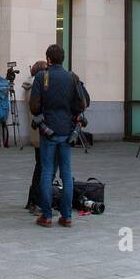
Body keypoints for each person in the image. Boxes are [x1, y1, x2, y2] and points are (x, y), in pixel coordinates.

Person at [29, 43, 85, 227]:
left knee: (47, 172)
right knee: (66, 173)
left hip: (48, 130)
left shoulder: (41, 76)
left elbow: (34, 106)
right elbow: (81, 105)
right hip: (67, 130)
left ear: (48, 59)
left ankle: (46, 215)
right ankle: (67, 215)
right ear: (63, 58)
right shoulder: (71, 77)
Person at [23, 59, 48, 211]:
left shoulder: (29, 86)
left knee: (40, 166)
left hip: (35, 132)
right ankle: (35, 200)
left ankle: (32, 200)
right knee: (42, 168)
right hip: (41, 131)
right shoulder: (36, 87)